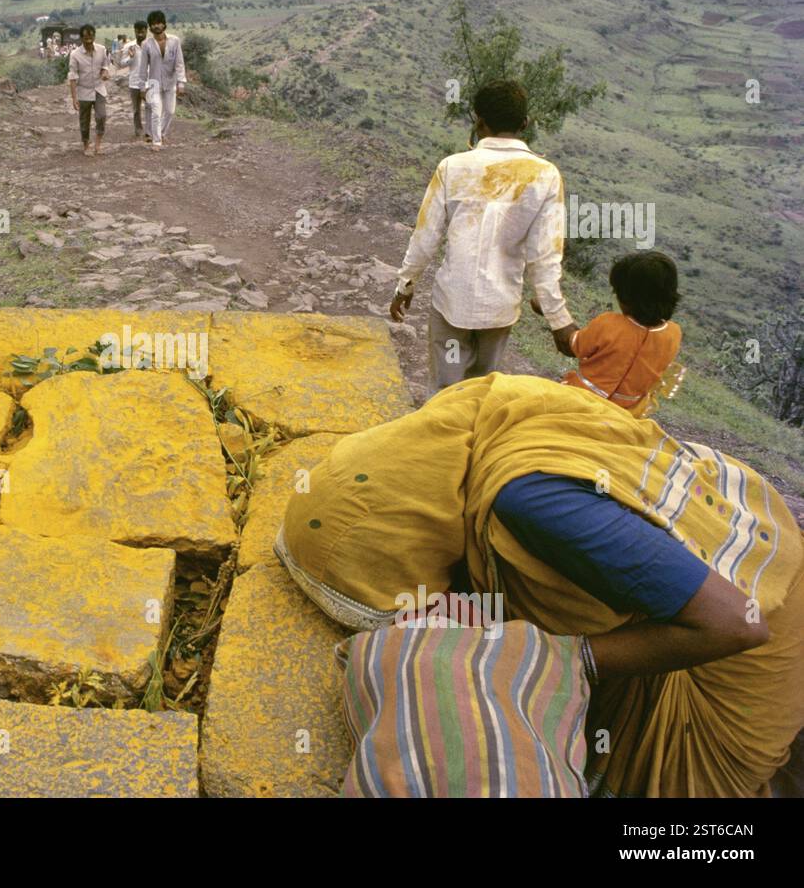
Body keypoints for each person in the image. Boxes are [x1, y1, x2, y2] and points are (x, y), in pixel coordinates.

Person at [275, 372, 804, 797]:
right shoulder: (473, 421)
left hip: (736, 661)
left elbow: (738, 626)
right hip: (740, 525)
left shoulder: (533, 504)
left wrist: (564, 658)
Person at [389, 80, 577, 393]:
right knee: (481, 390)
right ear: (524, 124)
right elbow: (543, 258)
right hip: (499, 309)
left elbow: (426, 237)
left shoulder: (453, 167)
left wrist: (405, 284)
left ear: (479, 122)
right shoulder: (545, 176)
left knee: (446, 389)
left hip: (452, 302)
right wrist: (558, 320)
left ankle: (441, 435)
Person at [551, 249, 682, 414]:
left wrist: (552, 312)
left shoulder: (608, 324)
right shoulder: (673, 334)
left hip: (580, 401)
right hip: (627, 414)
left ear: (626, 296)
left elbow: (571, 345)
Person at [134, 10, 186, 150]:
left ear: (164, 24)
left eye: (159, 23)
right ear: (150, 27)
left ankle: (162, 133)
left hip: (170, 82)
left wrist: (181, 82)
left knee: (170, 111)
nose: (156, 26)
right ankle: (156, 141)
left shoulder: (174, 41)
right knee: (156, 112)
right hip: (153, 83)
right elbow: (143, 68)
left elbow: (179, 63)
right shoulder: (147, 44)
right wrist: (142, 87)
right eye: (153, 24)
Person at [67, 24, 110, 156]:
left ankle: (98, 144)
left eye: (90, 37)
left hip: (99, 89)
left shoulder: (102, 50)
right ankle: (86, 144)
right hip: (83, 91)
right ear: (81, 38)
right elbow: (73, 77)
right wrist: (74, 98)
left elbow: (105, 65)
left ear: (94, 36)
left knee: (101, 116)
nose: (88, 40)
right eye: (85, 37)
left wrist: (104, 73)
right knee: (84, 120)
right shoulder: (75, 55)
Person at [117, 20, 150, 140]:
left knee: (150, 107)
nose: (140, 34)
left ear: (146, 31)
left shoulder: (151, 45)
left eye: (143, 31)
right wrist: (130, 58)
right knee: (136, 110)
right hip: (134, 83)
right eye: (138, 32)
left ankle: (150, 130)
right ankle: (138, 130)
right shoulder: (128, 46)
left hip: (148, 82)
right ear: (134, 31)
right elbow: (122, 64)